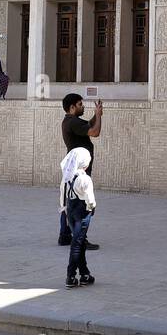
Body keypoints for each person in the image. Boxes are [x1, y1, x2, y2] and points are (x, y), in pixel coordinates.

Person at [59, 93, 102, 249]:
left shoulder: (72, 121)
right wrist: (98, 116)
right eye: (80, 104)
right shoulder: (72, 122)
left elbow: (88, 125)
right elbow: (94, 132)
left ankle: (64, 236)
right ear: (72, 107)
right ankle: (80, 239)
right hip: (79, 171)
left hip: (73, 170)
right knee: (80, 206)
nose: (82, 106)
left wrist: (96, 115)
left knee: (69, 203)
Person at [58, 148, 96, 287]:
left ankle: (85, 274)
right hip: (82, 214)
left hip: (71, 213)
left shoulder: (67, 178)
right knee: (76, 245)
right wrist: (92, 208)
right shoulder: (84, 179)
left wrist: (64, 211)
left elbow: (63, 197)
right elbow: (90, 200)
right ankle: (71, 276)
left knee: (79, 243)